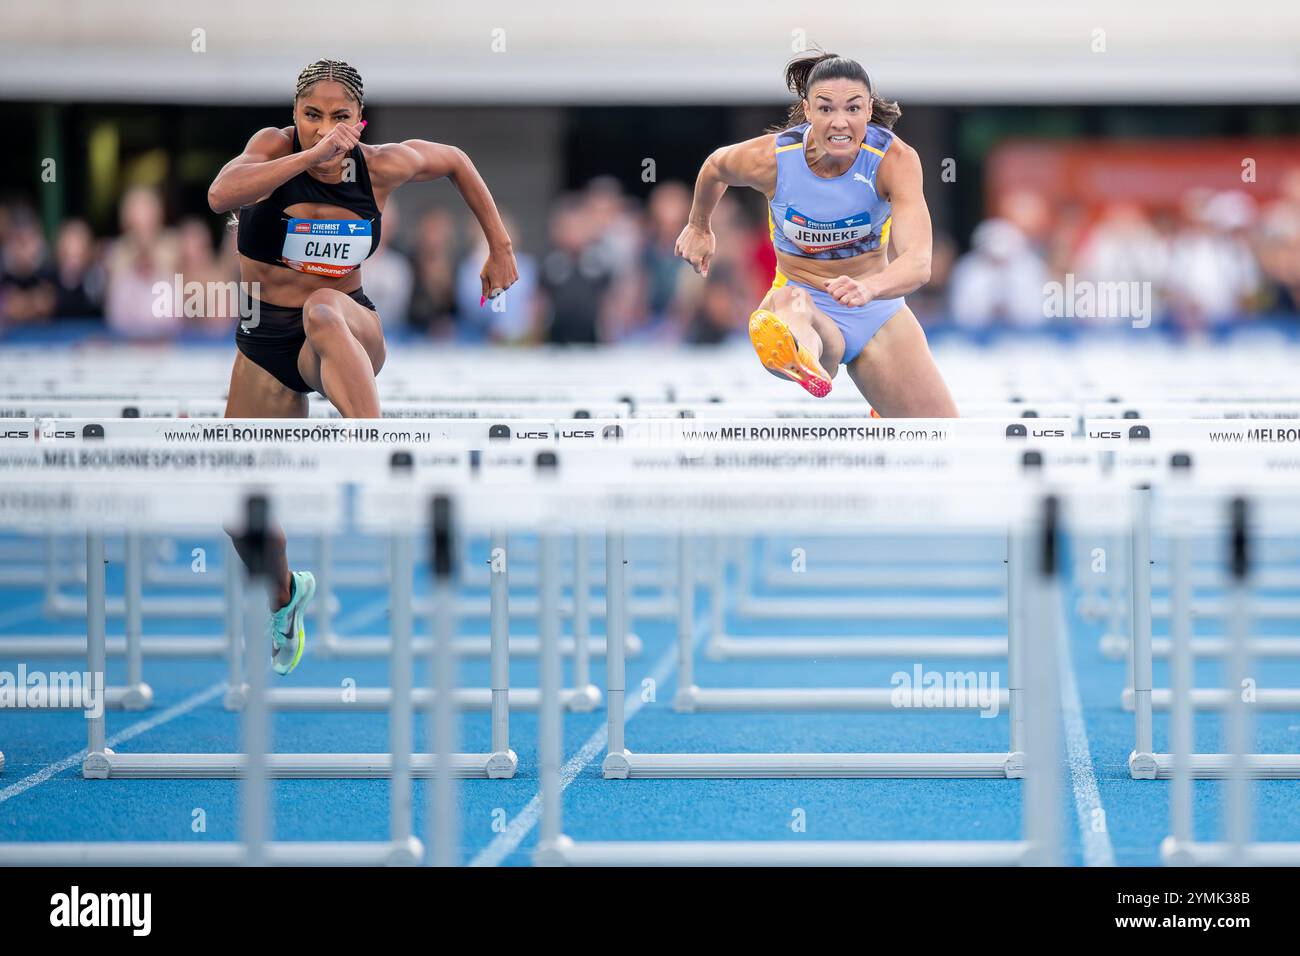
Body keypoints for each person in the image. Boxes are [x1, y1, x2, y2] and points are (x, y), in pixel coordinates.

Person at [207, 58, 517, 674]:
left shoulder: (379, 167)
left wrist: (499, 246)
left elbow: (455, 159)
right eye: (312, 116)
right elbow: (220, 196)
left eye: (340, 118)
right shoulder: (270, 150)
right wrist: (307, 155)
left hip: (347, 328)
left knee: (324, 305)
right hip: (265, 342)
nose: (326, 127)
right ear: (294, 117)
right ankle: (284, 595)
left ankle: (376, 464)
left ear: (360, 121)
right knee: (239, 514)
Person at [675, 51, 956, 415]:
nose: (840, 123)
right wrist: (699, 226)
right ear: (807, 111)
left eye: (852, 109)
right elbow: (715, 167)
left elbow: (918, 263)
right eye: (826, 109)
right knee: (793, 306)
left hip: (875, 309)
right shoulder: (773, 158)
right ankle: (802, 353)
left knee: (941, 434)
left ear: (869, 111)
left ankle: (871, 401)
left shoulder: (894, 160)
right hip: (800, 296)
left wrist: (869, 288)